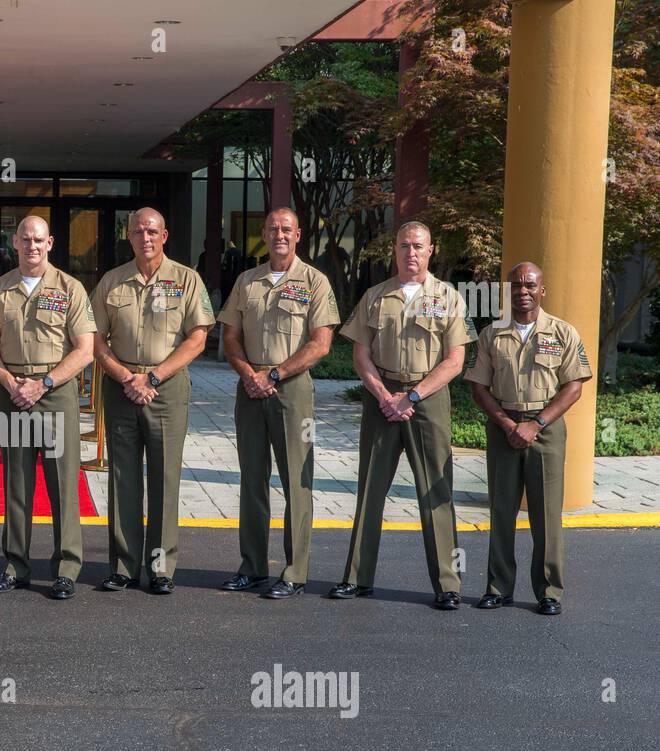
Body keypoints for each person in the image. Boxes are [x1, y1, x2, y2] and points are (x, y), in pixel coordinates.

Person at [328, 221, 475, 610]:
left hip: (427, 399)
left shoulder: (449, 298)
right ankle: (357, 577)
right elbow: (360, 354)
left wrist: (411, 396)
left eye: (418, 246)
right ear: (395, 250)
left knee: (436, 490)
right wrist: (384, 396)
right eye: (404, 246)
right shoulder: (376, 297)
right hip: (382, 399)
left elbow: (455, 361)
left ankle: (447, 583)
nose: (411, 252)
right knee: (370, 488)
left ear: (431, 251)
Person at [91, 207, 215, 595]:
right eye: (138, 231)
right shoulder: (111, 282)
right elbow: (94, 339)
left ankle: (161, 569)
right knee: (123, 478)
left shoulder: (187, 279)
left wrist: (155, 376)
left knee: (164, 479)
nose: (145, 237)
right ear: (128, 237)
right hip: (122, 386)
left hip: (167, 388)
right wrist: (128, 377)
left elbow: (198, 337)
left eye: (152, 231)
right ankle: (124, 567)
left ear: (165, 236)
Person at [218, 207, 338, 598]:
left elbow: (321, 342)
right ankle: (252, 567)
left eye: (286, 229)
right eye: (273, 229)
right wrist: (249, 374)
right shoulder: (246, 281)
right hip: (250, 388)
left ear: (298, 234)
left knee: (295, 481)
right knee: (252, 480)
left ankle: (294, 571)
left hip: (292, 390)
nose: (279, 235)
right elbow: (230, 337)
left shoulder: (315, 281)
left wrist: (274, 375)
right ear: (264, 235)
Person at [0, 215, 95, 600]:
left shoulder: (70, 288)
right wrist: (12, 383)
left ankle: (66, 569)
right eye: (25, 239)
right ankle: (15, 566)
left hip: (54, 396)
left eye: (39, 240)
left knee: (63, 484)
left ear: (50, 243)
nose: (32, 245)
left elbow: (85, 350)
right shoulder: (0, 289)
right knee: (17, 483)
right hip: (13, 396)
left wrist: (43, 383)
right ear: (15, 242)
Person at [465, 261, 592, 615]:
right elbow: (478, 386)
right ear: (508, 291)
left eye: (529, 285)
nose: (522, 291)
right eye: (516, 285)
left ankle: (549, 591)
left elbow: (574, 387)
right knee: (501, 510)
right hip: (503, 426)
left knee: (546, 514)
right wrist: (507, 424)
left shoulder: (563, 332)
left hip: (546, 430)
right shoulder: (491, 333)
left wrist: (536, 423)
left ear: (542, 290)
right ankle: (498, 587)